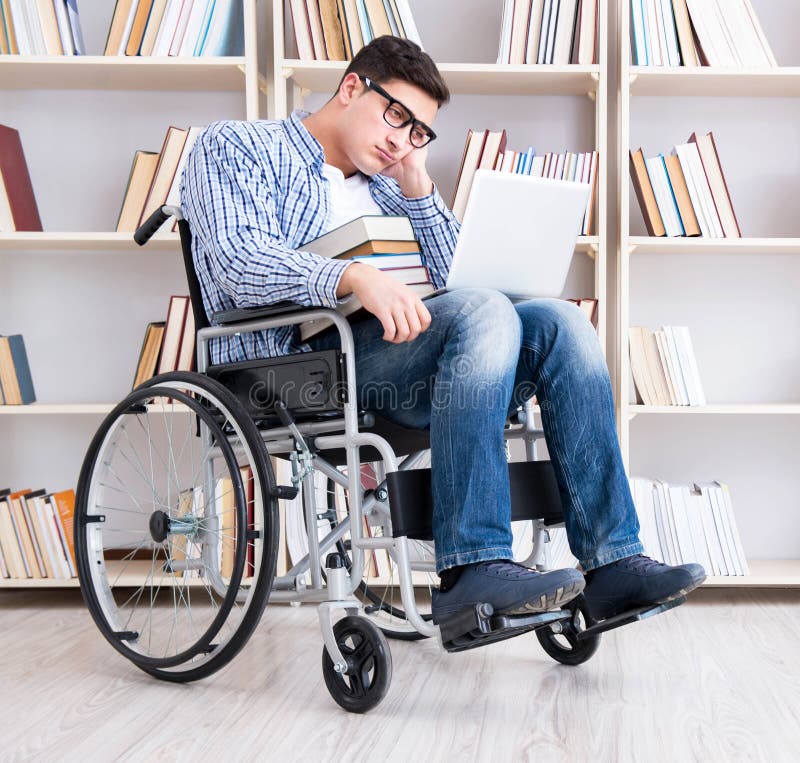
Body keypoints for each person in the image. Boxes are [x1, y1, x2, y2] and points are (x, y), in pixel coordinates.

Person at [182, 35, 706, 624]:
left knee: (559, 321)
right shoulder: (240, 146)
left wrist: (417, 187)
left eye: (417, 132)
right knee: (482, 310)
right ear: (352, 86)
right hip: (298, 364)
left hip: (412, 356)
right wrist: (353, 277)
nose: (399, 139)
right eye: (395, 116)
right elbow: (238, 262)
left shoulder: (390, 182)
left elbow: (467, 279)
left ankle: (612, 565)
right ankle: (471, 568)